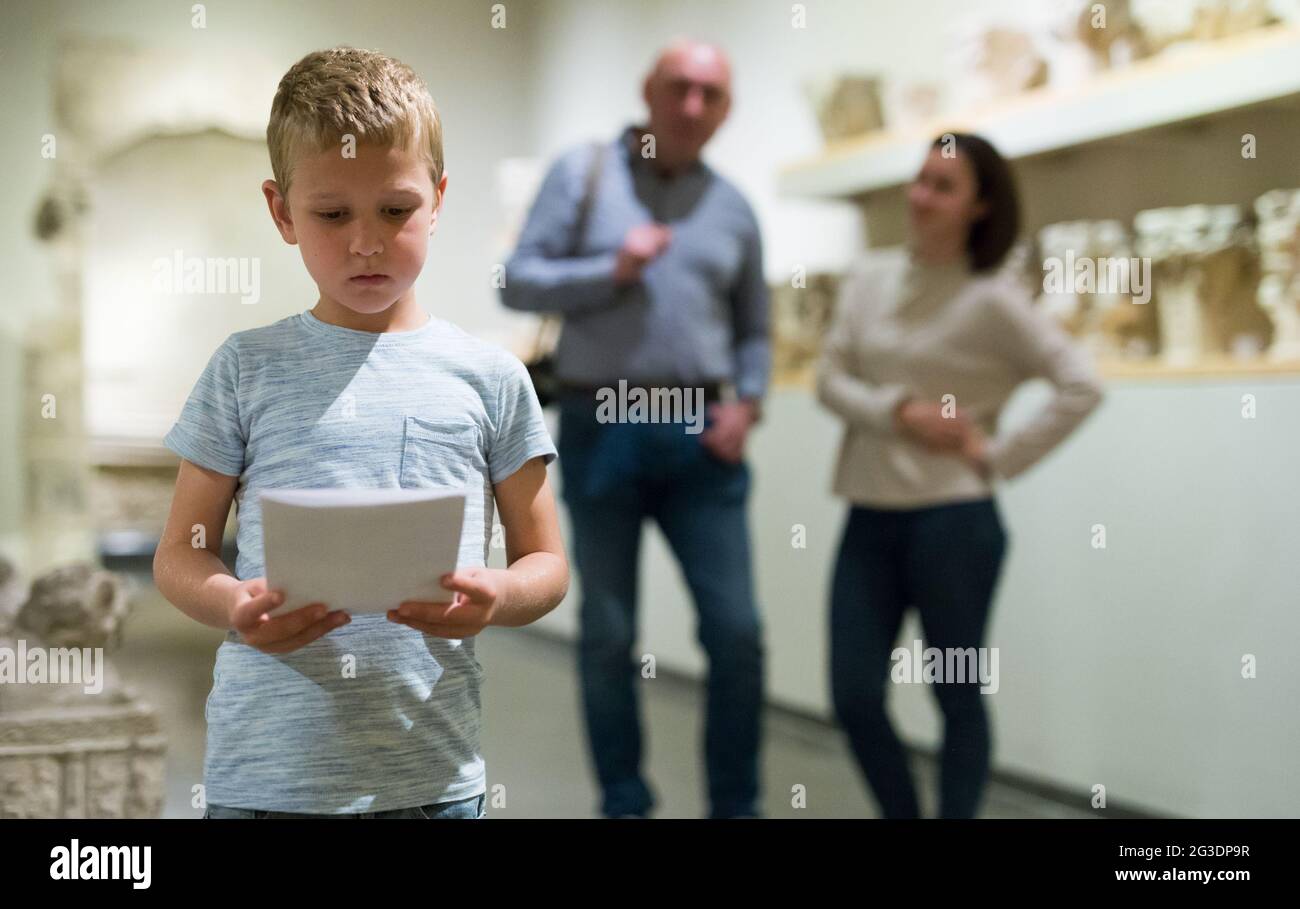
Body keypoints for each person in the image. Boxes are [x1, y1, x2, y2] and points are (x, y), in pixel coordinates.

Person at [153, 46, 568, 819]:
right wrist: (233, 602)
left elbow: (545, 561)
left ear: (438, 199)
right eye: (333, 214)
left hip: (431, 778)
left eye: (396, 209)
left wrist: (500, 593)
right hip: (266, 778)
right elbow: (181, 551)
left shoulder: (491, 377)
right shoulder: (245, 367)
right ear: (282, 212)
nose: (367, 242)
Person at [501, 40, 770, 818]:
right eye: (678, 87)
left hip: (701, 432)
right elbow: (518, 280)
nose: (691, 105)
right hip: (602, 422)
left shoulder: (734, 206)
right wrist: (611, 268)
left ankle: (737, 805)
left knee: (737, 632)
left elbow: (755, 328)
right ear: (648, 90)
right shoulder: (583, 172)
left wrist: (748, 403)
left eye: (710, 94)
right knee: (609, 632)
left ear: (726, 110)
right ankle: (624, 800)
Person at [816, 132, 1104, 818]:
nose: (921, 196)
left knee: (956, 693)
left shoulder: (992, 299)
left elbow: (1082, 385)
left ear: (980, 206)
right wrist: (900, 412)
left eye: (943, 186)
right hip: (869, 515)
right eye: (919, 179)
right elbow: (829, 380)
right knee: (854, 695)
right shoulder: (869, 278)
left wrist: (998, 457)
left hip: (954, 524)